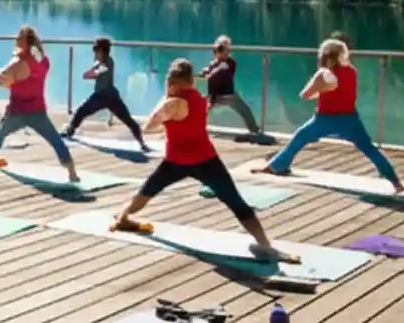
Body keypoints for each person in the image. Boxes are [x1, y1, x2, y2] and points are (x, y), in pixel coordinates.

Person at [111, 60, 297, 263]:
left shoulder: (172, 103)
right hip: (206, 159)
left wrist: (165, 95)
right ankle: (265, 245)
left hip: (176, 161)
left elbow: (148, 127)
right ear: (191, 80)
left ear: (172, 82)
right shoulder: (200, 99)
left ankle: (123, 217)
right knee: (236, 202)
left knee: (146, 193)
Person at [251, 38, 404, 193]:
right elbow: (342, 92)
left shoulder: (323, 74)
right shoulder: (352, 71)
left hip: (324, 119)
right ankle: (395, 182)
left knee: (299, 139)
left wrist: (318, 87)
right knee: (370, 149)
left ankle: (275, 167)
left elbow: (305, 95)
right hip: (350, 119)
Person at [0, 26, 79, 181]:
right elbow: (37, 74)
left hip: (18, 110)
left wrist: (9, 79)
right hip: (37, 109)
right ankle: (72, 172)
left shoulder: (19, 61)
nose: (15, 39)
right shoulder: (43, 60)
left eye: (18, 37)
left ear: (24, 41)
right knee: (55, 140)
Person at [63, 37, 151, 151]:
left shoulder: (107, 63)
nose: (94, 53)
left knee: (128, 120)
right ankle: (70, 131)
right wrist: (93, 68)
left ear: (102, 51)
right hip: (99, 96)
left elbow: (89, 75)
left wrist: (92, 71)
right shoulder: (101, 62)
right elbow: (90, 74)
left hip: (110, 98)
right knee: (81, 111)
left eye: (96, 51)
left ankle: (142, 143)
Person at [199, 35, 266, 140]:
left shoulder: (230, 63)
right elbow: (209, 70)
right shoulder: (213, 64)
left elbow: (220, 70)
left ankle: (254, 131)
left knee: (244, 110)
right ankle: (196, 128)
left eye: (226, 50)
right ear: (216, 52)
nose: (224, 54)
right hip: (214, 95)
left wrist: (209, 72)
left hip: (228, 94)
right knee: (202, 110)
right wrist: (203, 72)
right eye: (221, 50)